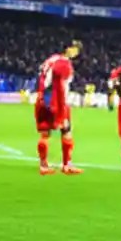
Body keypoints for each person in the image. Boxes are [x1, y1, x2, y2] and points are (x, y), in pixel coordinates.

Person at [35, 40, 84, 175]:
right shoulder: (64, 63)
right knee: (66, 130)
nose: (75, 53)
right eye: (75, 49)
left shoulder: (50, 60)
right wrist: (60, 106)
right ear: (68, 49)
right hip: (55, 101)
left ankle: (43, 166)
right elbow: (60, 86)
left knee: (45, 133)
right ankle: (67, 165)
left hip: (42, 99)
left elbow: (42, 79)